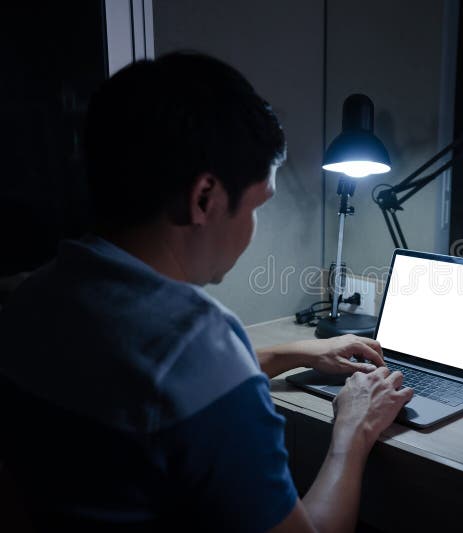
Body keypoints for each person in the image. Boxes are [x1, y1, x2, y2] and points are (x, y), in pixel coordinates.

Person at [0, 52, 413, 532]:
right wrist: (355, 428)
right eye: (258, 205)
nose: (254, 227)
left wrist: (296, 351)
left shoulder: (34, 298)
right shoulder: (197, 343)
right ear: (204, 199)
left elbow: (152, 388)